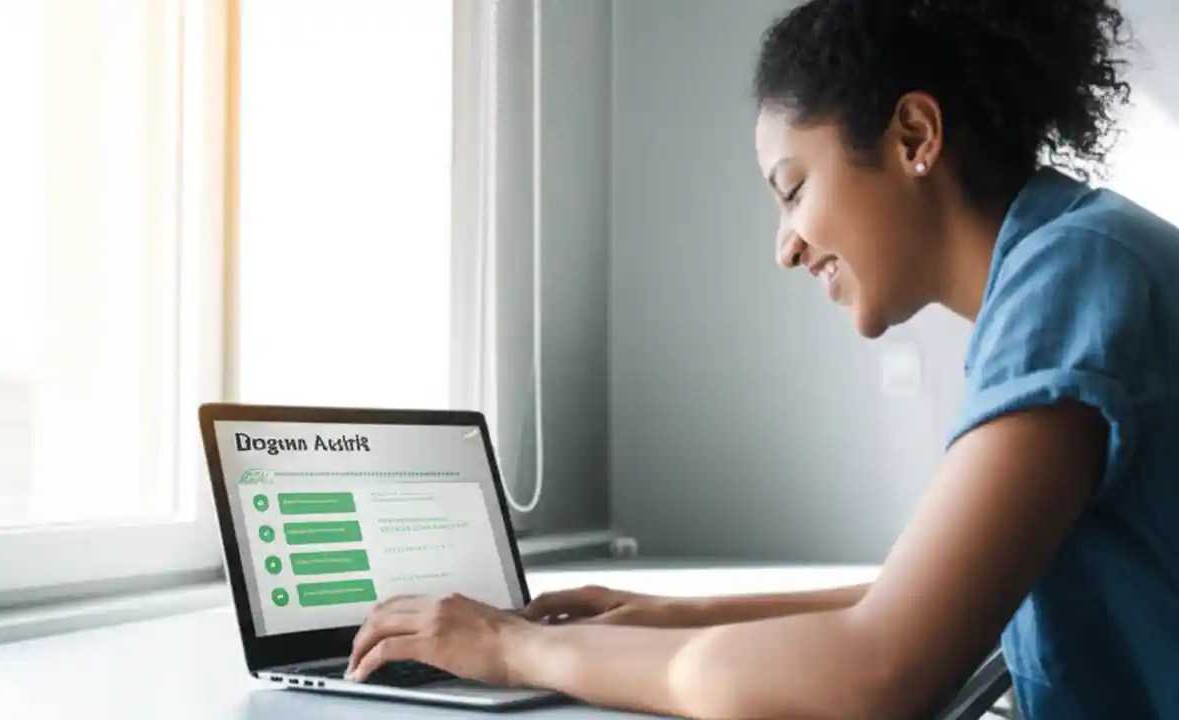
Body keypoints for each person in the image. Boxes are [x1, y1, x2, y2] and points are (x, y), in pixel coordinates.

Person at [345, 1, 1179, 717]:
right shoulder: (1078, 256)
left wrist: (515, 652)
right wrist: (662, 616)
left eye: (792, 188)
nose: (784, 246)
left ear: (914, 136)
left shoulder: (1073, 280)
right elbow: (929, 602)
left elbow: (876, 670)